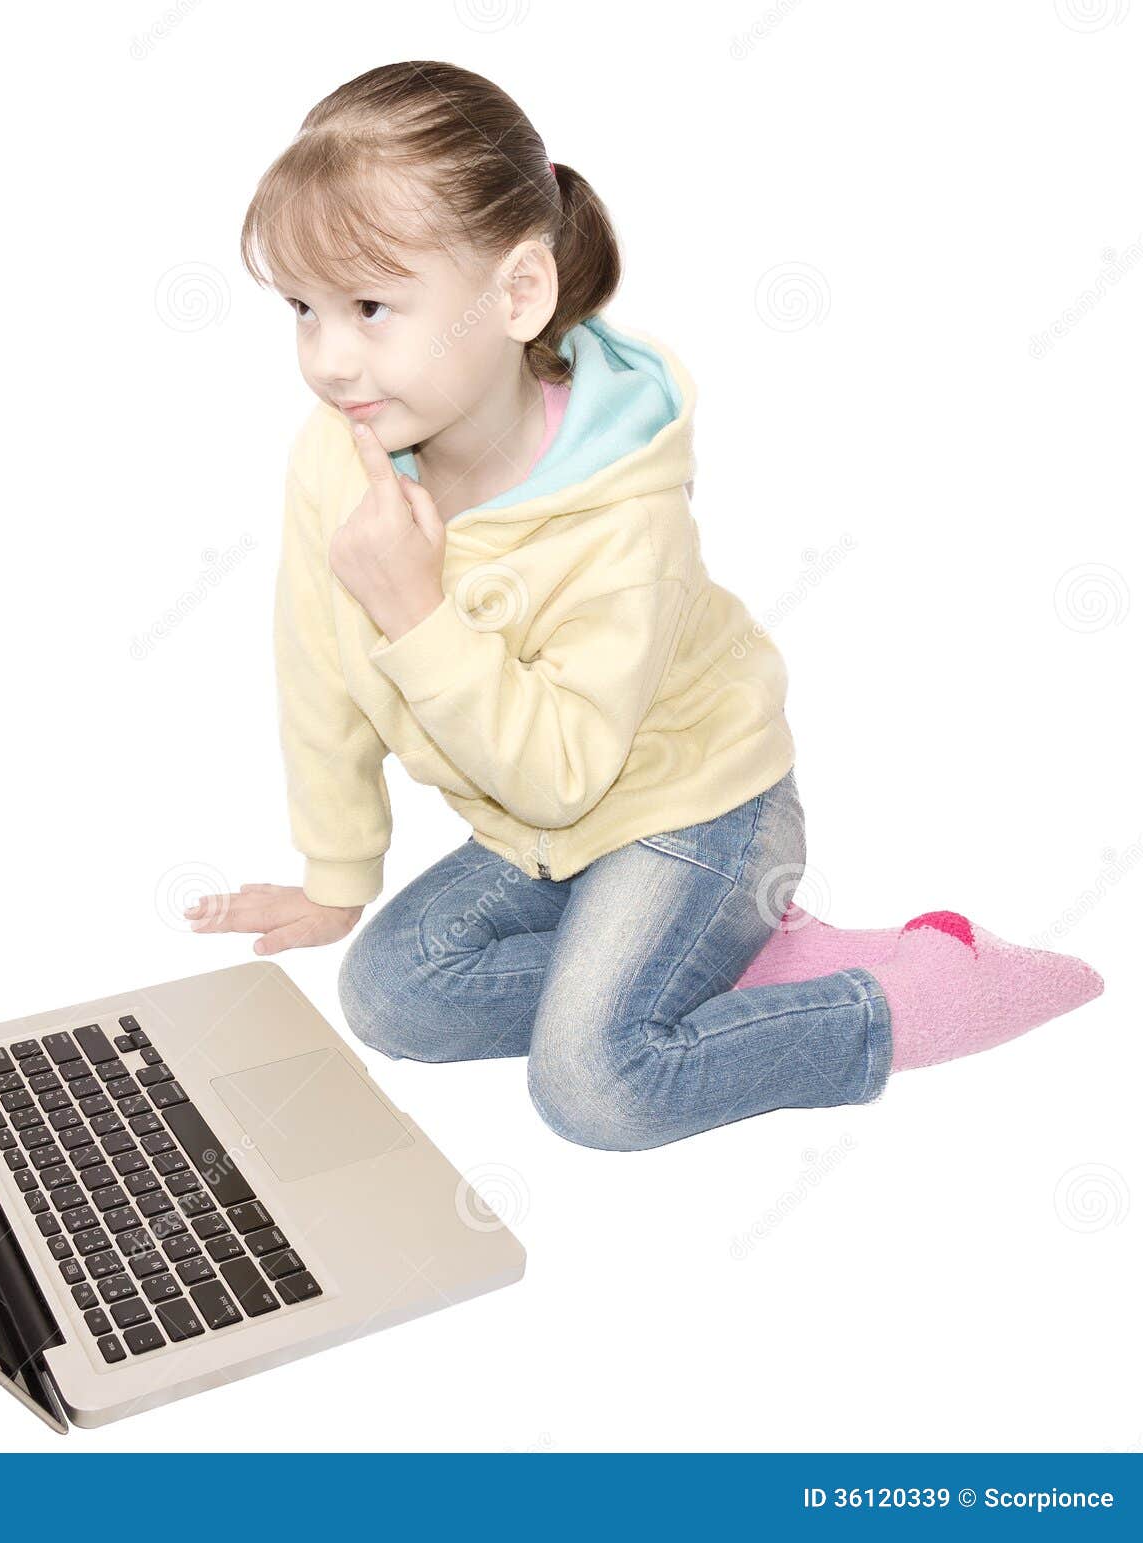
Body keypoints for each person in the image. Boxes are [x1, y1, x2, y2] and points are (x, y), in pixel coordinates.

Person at [183, 61, 1103, 1151]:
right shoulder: (340, 458)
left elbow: (565, 775)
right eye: (304, 310)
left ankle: (899, 995)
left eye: (372, 307)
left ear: (516, 294)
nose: (329, 360)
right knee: (389, 997)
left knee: (596, 1084)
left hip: (696, 806)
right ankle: (722, 956)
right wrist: (337, 875)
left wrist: (418, 611)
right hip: (546, 835)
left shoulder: (621, 517)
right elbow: (316, 665)